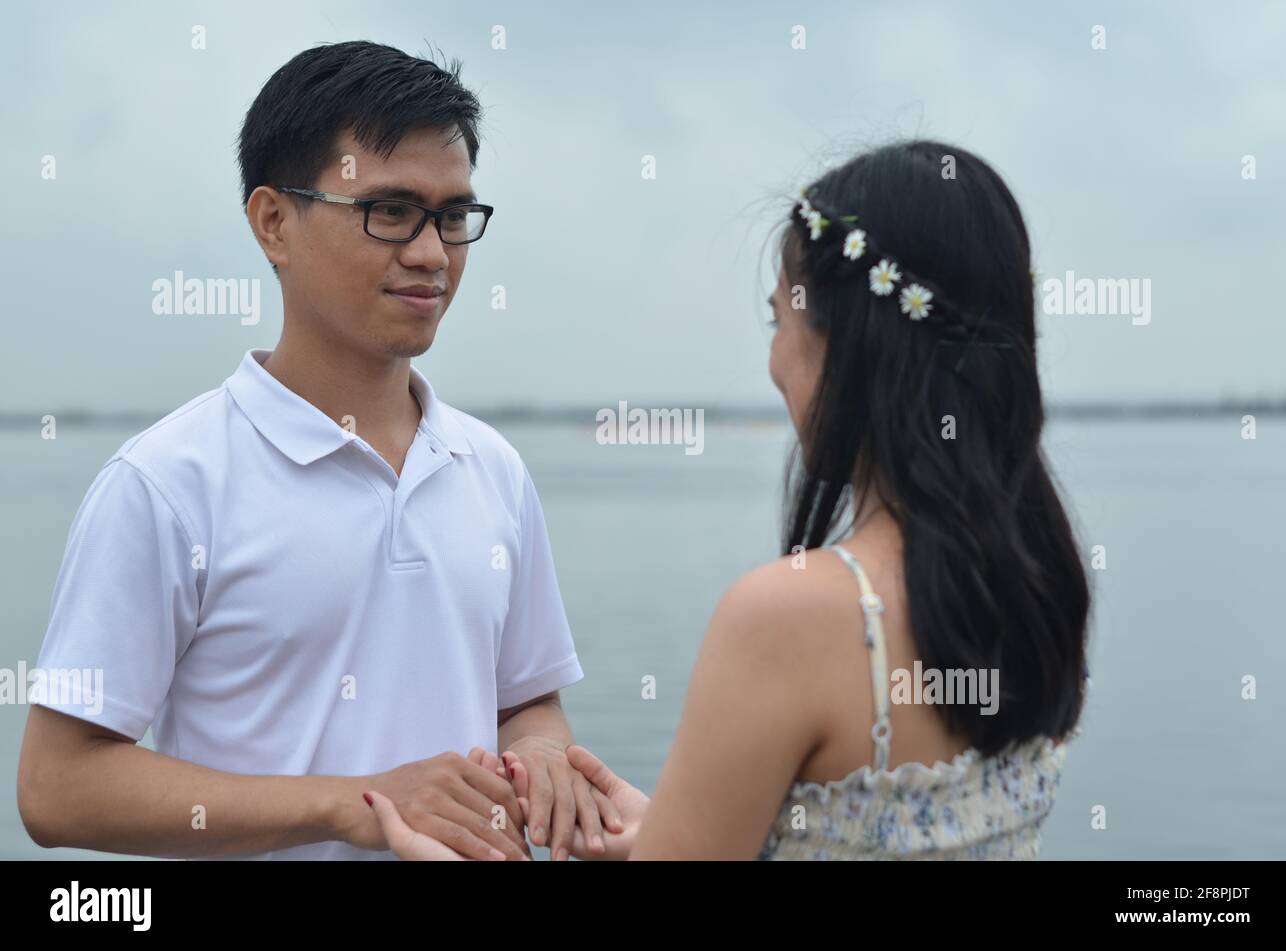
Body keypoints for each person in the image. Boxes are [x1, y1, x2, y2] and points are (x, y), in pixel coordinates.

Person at [371, 140, 1091, 860]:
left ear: (850, 344)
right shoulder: (1043, 581)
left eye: (780, 320)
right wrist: (687, 830)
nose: (774, 360)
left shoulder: (791, 615)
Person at [16, 40, 620, 861]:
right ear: (274, 222)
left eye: (453, 217)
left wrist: (545, 756)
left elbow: (527, 699)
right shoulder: (166, 484)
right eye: (391, 211)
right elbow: (57, 788)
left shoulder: (492, 469)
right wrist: (352, 805)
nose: (432, 254)